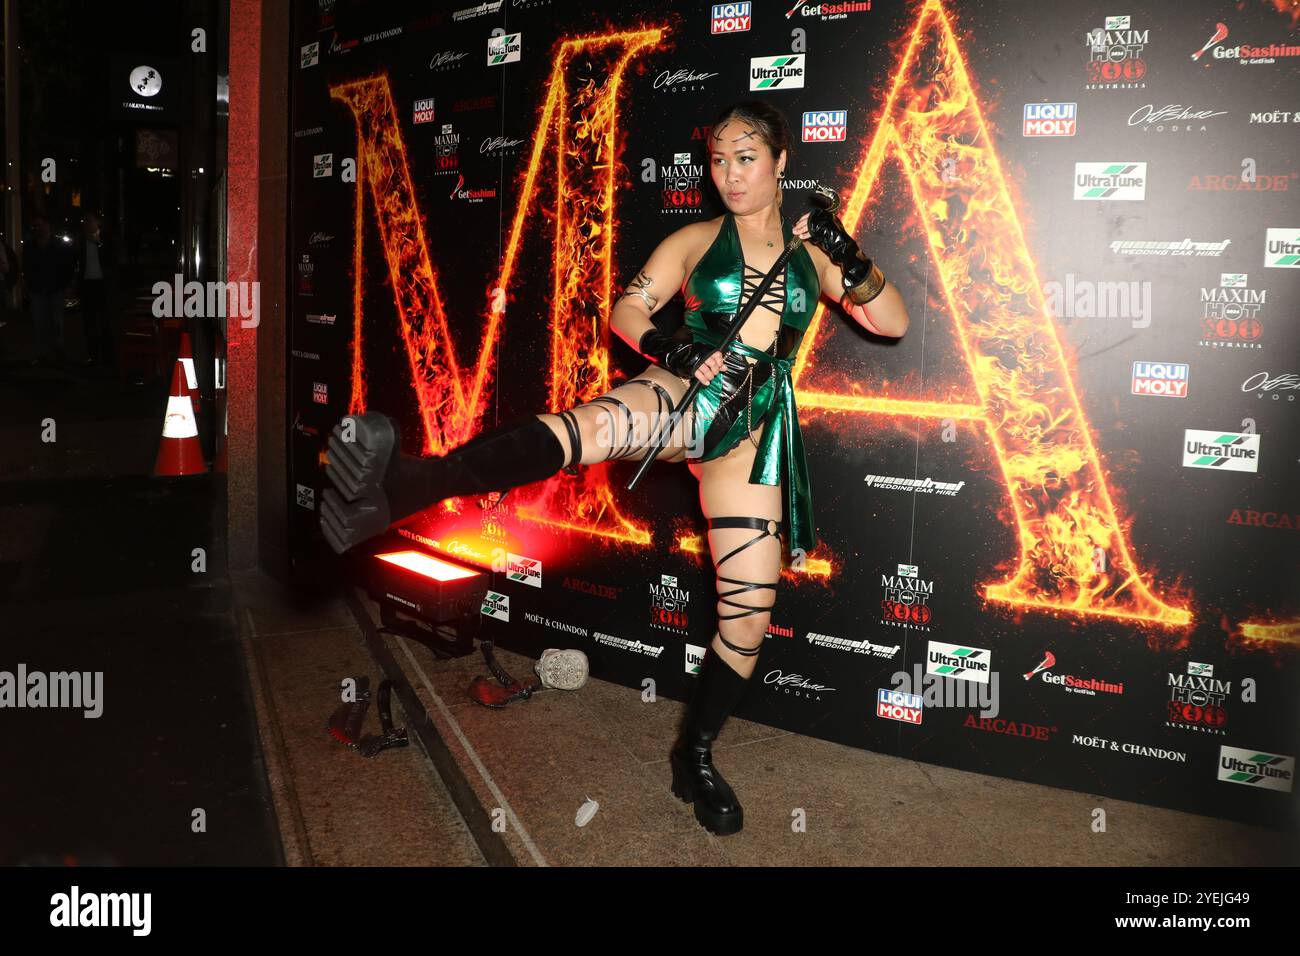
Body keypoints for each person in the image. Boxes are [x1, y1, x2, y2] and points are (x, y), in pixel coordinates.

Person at [321, 101, 909, 835]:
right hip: (687, 388)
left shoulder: (814, 256)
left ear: (781, 162)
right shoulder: (696, 239)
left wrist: (848, 251)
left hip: (756, 433)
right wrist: (679, 351)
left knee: (749, 618)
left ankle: (692, 756)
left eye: (746, 157)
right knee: (591, 427)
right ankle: (407, 484)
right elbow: (627, 311)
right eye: (719, 158)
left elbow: (893, 321)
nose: (728, 173)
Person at [25, 216, 75, 365]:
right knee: (39, 323)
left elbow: (67, 265)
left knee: (56, 322)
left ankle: (57, 350)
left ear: (47, 226)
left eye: (39, 225)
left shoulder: (58, 244)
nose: (37, 228)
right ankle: (42, 353)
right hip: (38, 289)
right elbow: (28, 267)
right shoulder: (31, 245)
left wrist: (66, 284)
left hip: (55, 288)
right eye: (35, 225)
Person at [73, 213, 118, 369]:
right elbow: (76, 261)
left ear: (98, 223)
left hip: (102, 285)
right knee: (89, 321)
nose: (87, 224)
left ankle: (108, 356)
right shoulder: (81, 240)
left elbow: (112, 258)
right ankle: (93, 355)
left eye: (90, 221)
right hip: (87, 285)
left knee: (106, 320)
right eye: (85, 221)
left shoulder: (105, 238)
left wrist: (98, 242)